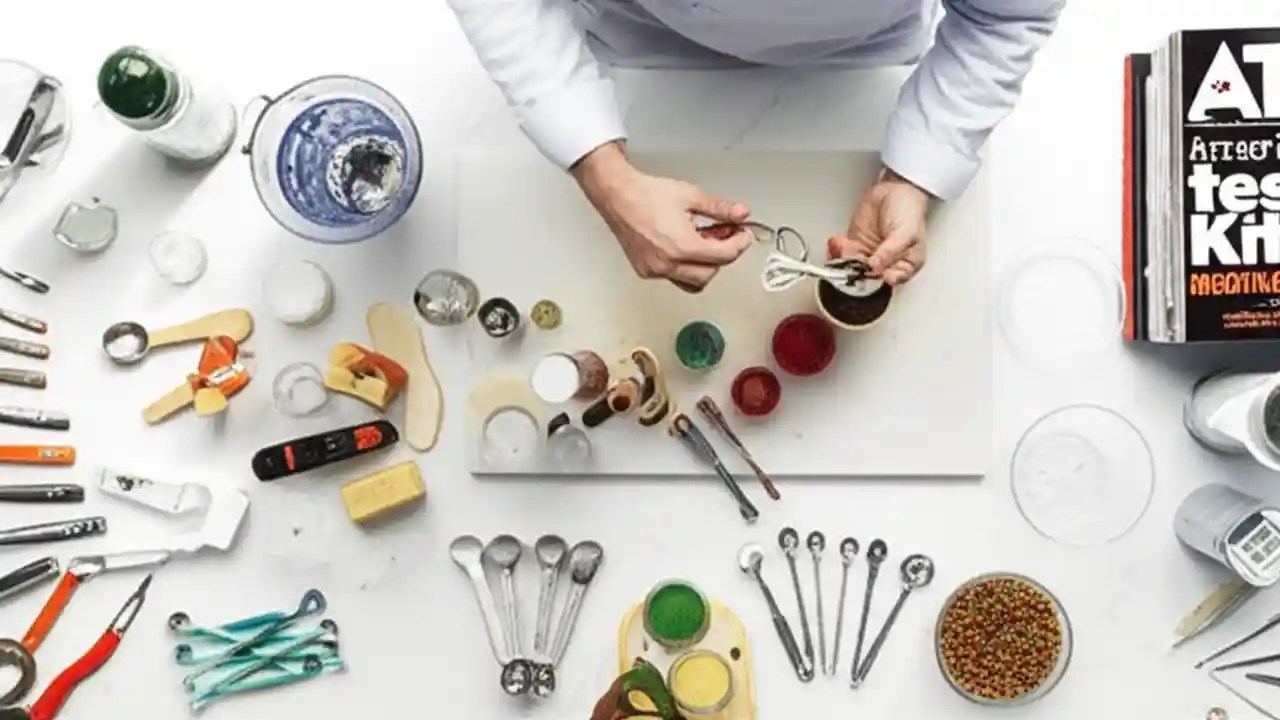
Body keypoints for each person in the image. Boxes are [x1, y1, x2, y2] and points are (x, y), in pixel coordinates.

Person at [448, 0, 1064, 292]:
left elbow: (1006, 15)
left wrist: (918, 168)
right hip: (631, 50)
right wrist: (601, 171)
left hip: (862, 74)